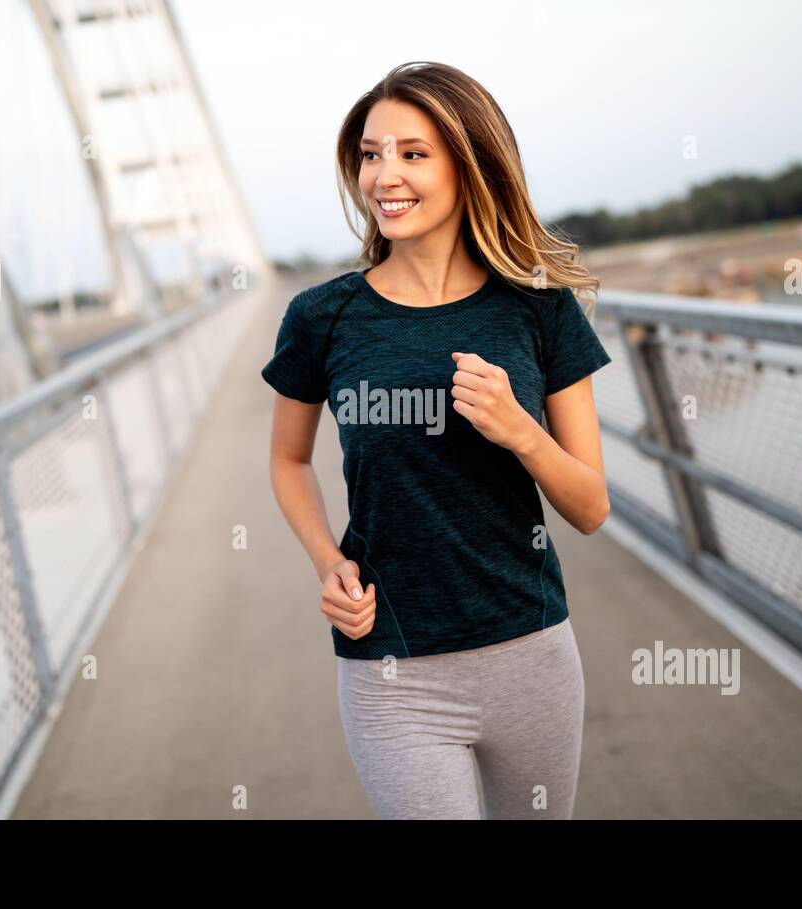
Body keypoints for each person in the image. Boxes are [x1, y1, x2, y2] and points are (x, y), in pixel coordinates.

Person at [261, 61, 613, 819]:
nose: (385, 174)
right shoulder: (321, 318)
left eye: (413, 153)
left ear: (469, 164)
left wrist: (522, 431)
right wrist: (329, 563)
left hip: (531, 654)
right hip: (392, 669)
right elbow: (288, 459)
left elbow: (590, 506)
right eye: (370, 153)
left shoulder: (538, 311)